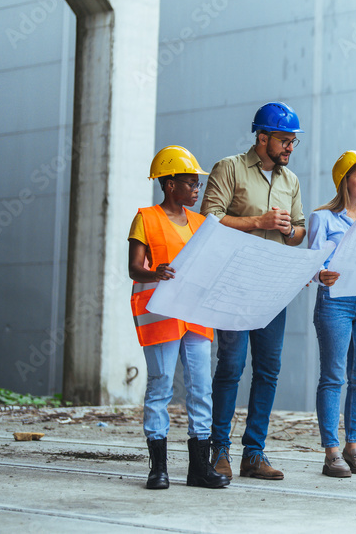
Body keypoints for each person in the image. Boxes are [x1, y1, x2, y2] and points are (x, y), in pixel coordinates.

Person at [201, 102, 307, 481]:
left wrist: (287, 231)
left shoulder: (290, 181)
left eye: (293, 142)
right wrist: (258, 222)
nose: (289, 148)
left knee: (268, 370)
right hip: (233, 285)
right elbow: (208, 220)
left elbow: (298, 232)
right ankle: (218, 451)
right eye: (284, 140)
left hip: (271, 288)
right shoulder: (228, 168)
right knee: (230, 367)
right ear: (262, 138)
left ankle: (253, 453)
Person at [127, 145, 229, 490]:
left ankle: (199, 469)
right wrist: (154, 273)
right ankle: (158, 469)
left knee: (201, 390)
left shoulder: (201, 223)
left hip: (195, 316)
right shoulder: (146, 218)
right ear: (170, 185)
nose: (196, 190)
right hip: (160, 317)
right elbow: (133, 269)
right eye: (190, 183)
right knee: (160, 388)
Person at [307, 151, 356, 478]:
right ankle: (331, 452)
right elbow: (311, 264)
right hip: (335, 302)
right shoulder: (321, 219)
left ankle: (353, 447)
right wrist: (319, 273)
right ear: (345, 181)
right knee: (334, 376)